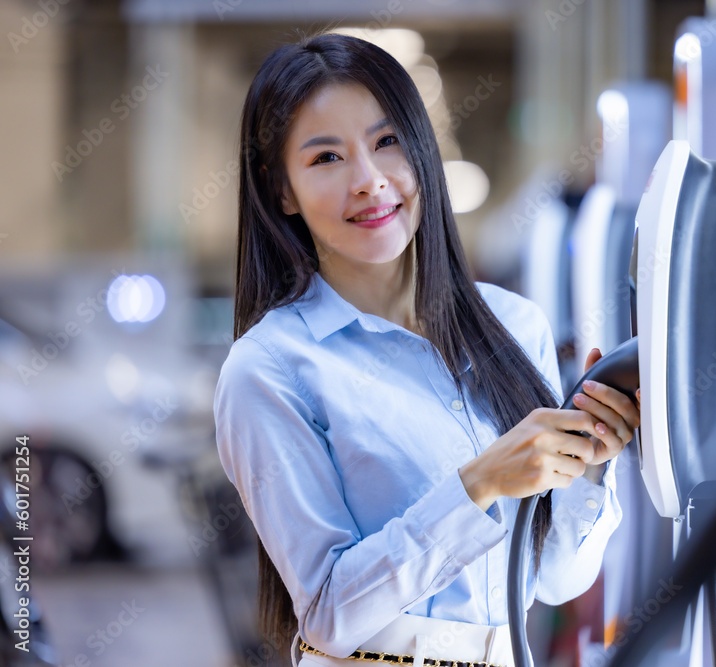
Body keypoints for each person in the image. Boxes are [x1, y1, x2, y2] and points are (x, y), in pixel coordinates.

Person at [213, 32, 641, 667]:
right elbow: (329, 613)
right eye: (326, 158)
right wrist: (477, 484)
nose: (369, 181)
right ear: (282, 192)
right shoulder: (270, 369)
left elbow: (554, 581)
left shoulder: (513, 324)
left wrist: (592, 463)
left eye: (387, 142)